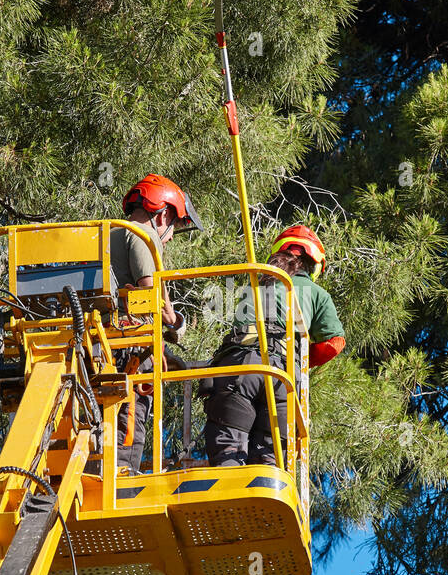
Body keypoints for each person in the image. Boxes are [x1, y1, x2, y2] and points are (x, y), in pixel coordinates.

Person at [202, 224, 344, 467]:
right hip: (283, 379)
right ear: (314, 265)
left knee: (229, 454)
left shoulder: (255, 284)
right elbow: (334, 343)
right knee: (269, 462)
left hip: (238, 370)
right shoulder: (316, 293)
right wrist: (303, 361)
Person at [108, 174, 204, 473]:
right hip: (129, 349)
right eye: (174, 226)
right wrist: (177, 324)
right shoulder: (142, 235)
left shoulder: (107, 232)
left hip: (100, 344)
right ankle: (123, 478)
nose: (172, 236)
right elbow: (153, 297)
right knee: (129, 417)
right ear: (162, 214)